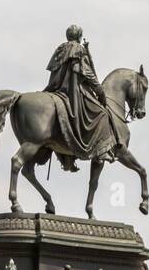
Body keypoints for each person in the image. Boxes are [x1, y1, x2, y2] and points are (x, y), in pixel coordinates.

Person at [43, 24, 122, 171]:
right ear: (79, 36)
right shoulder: (78, 49)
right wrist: (99, 90)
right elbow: (87, 73)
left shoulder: (60, 50)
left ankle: (68, 158)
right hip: (74, 91)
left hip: (57, 89)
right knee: (102, 114)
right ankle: (103, 151)